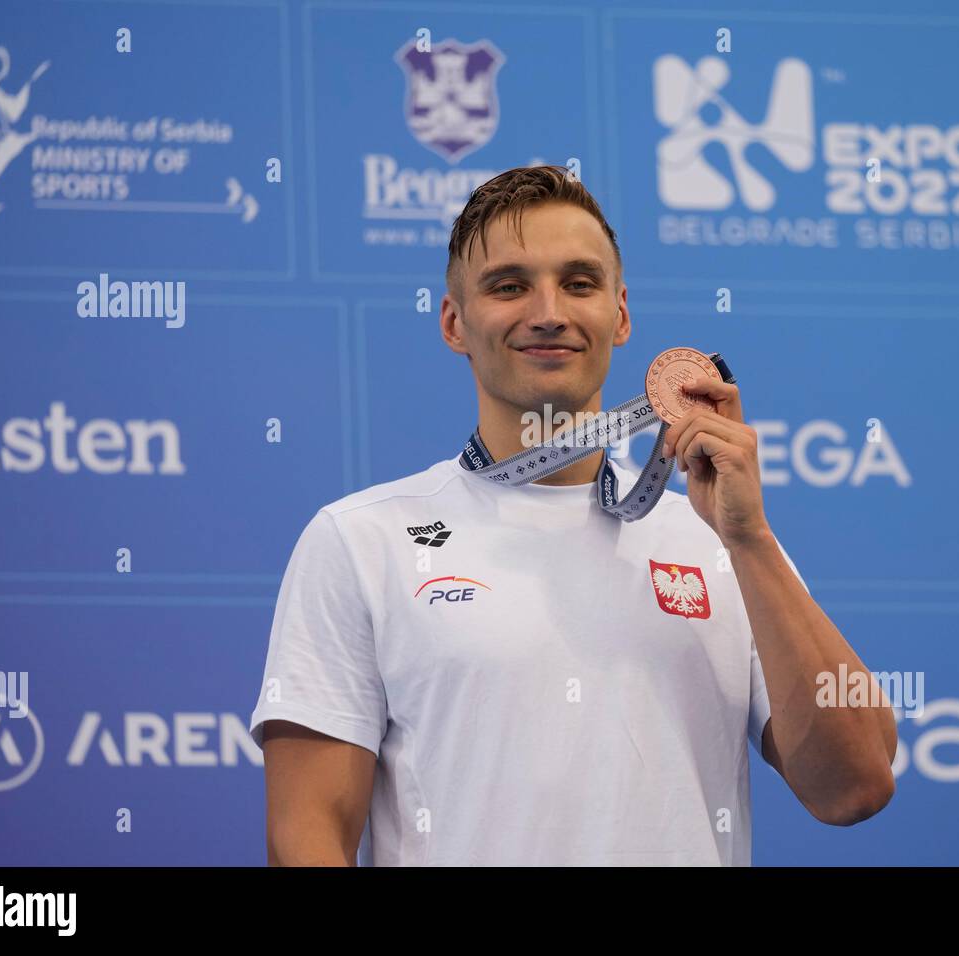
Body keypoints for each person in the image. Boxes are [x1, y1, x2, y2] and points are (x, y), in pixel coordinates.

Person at [249, 165, 896, 866]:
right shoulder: (361, 540)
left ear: (619, 316)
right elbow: (306, 835)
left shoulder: (720, 544)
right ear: (453, 322)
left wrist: (750, 539)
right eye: (509, 285)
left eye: (579, 283)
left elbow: (855, 785)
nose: (549, 311)